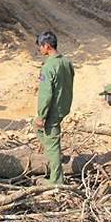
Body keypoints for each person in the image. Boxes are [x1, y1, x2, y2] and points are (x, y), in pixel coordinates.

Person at [33, 31, 74, 185]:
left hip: (53, 110)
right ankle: (53, 153)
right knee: (39, 130)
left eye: (40, 47)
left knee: (50, 139)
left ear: (47, 46)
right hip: (63, 106)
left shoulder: (48, 67)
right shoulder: (66, 61)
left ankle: (56, 180)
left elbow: (45, 95)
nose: (39, 50)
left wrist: (41, 116)